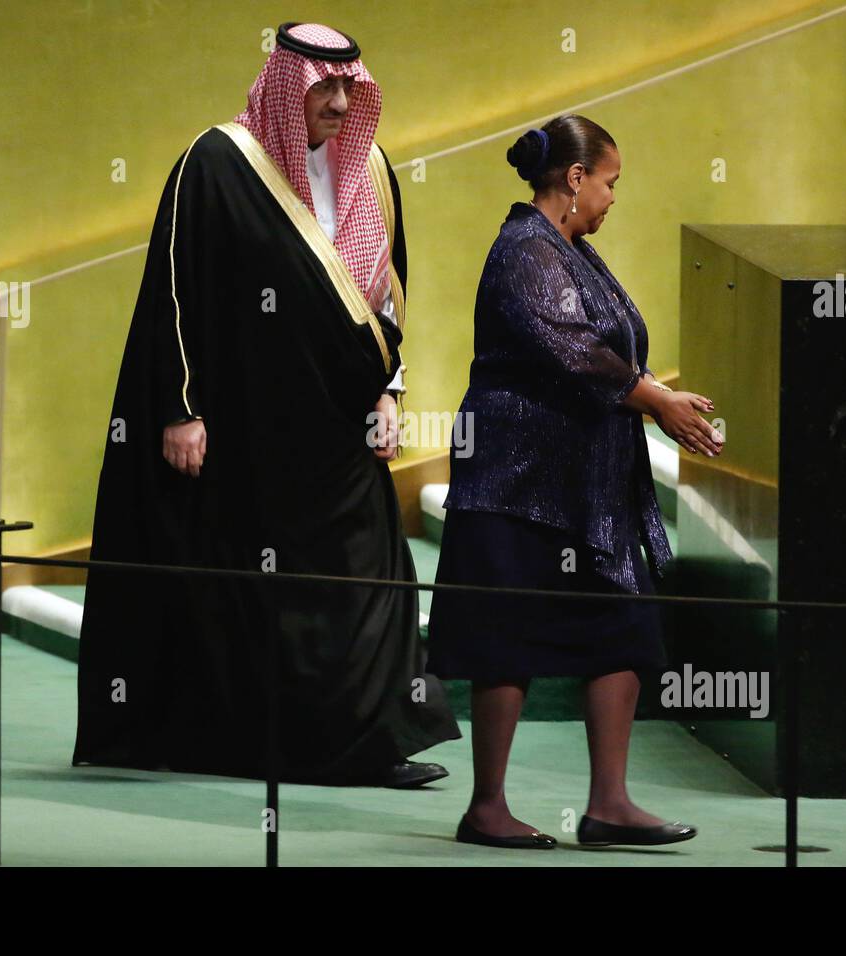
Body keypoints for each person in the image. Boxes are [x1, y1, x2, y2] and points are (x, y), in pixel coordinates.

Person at [73, 22, 459, 788]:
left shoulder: (373, 170)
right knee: (260, 600)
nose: (343, 103)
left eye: (353, 86)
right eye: (325, 86)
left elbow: (382, 297)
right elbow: (173, 295)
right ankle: (267, 745)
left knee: (370, 579)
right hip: (246, 437)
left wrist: (390, 388)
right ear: (288, 85)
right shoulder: (214, 163)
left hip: (340, 431)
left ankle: (371, 741)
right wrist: (180, 410)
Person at [425, 114, 724, 847]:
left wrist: (655, 396)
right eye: (611, 182)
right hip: (516, 478)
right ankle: (486, 808)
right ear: (575, 178)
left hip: (583, 485)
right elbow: (572, 351)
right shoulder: (525, 247)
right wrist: (657, 400)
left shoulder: (571, 250)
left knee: (620, 629)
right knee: (506, 638)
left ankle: (610, 805)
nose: (613, 198)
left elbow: (609, 347)